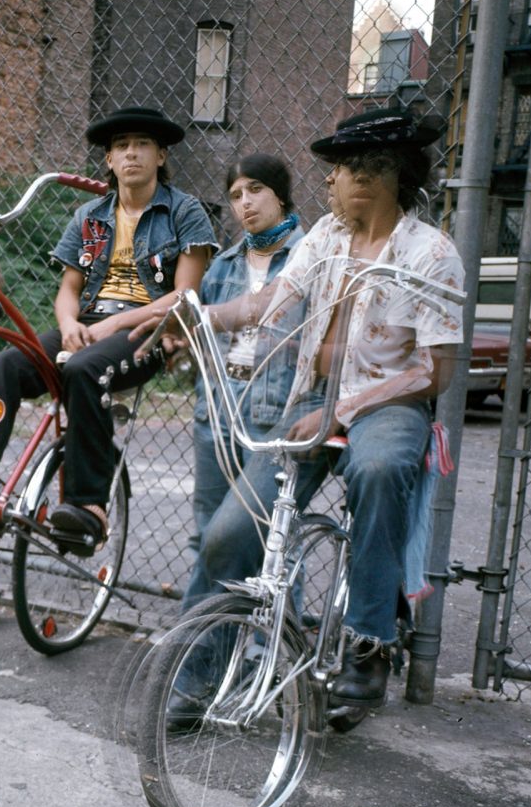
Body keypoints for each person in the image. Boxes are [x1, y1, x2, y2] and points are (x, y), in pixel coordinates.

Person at [143, 108, 464, 708]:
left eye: (358, 167)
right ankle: (200, 675)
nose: (344, 179)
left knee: (379, 469)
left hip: (389, 402)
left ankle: (369, 644)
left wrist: (345, 410)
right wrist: (194, 317)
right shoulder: (325, 239)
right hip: (311, 398)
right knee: (228, 533)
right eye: (340, 168)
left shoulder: (432, 252)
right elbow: (267, 303)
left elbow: (435, 370)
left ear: (389, 175)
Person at [0, 106, 216, 548]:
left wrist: (115, 323)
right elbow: (69, 289)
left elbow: (184, 296)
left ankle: (88, 508)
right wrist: (68, 323)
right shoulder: (90, 215)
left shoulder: (185, 212)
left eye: (143, 145)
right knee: (10, 363)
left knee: (85, 368)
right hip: (87, 324)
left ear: (161, 156)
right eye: (122, 146)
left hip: (147, 331)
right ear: (109, 159)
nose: (131, 154)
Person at [183, 153, 305, 611]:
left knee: (272, 534)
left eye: (256, 189)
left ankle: (270, 641)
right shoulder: (224, 264)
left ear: (280, 195)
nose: (245, 203)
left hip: (273, 409)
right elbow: (202, 333)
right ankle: (208, 640)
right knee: (209, 529)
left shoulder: (307, 257)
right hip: (217, 408)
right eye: (235, 196)